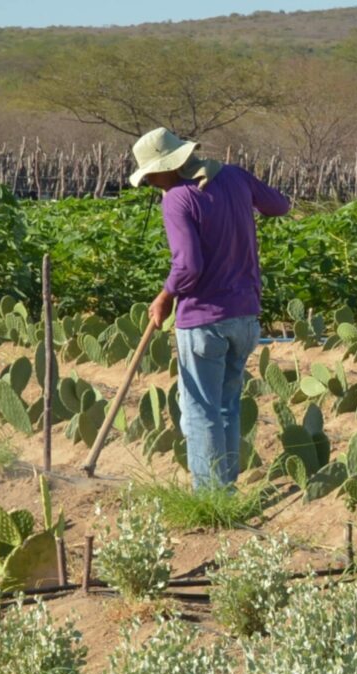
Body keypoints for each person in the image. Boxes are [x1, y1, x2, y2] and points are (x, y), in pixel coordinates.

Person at [129, 126, 290, 489]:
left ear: (170, 165)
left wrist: (165, 296)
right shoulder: (233, 175)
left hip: (203, 320)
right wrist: (237, 193)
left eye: (153, 174)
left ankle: (210, 498)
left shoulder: (177, 198)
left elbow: (188, 266)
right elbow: (279, 205)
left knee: (200, 411)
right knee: (227, 406)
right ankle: (226, 490)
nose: (152, 182)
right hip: (246, 317)